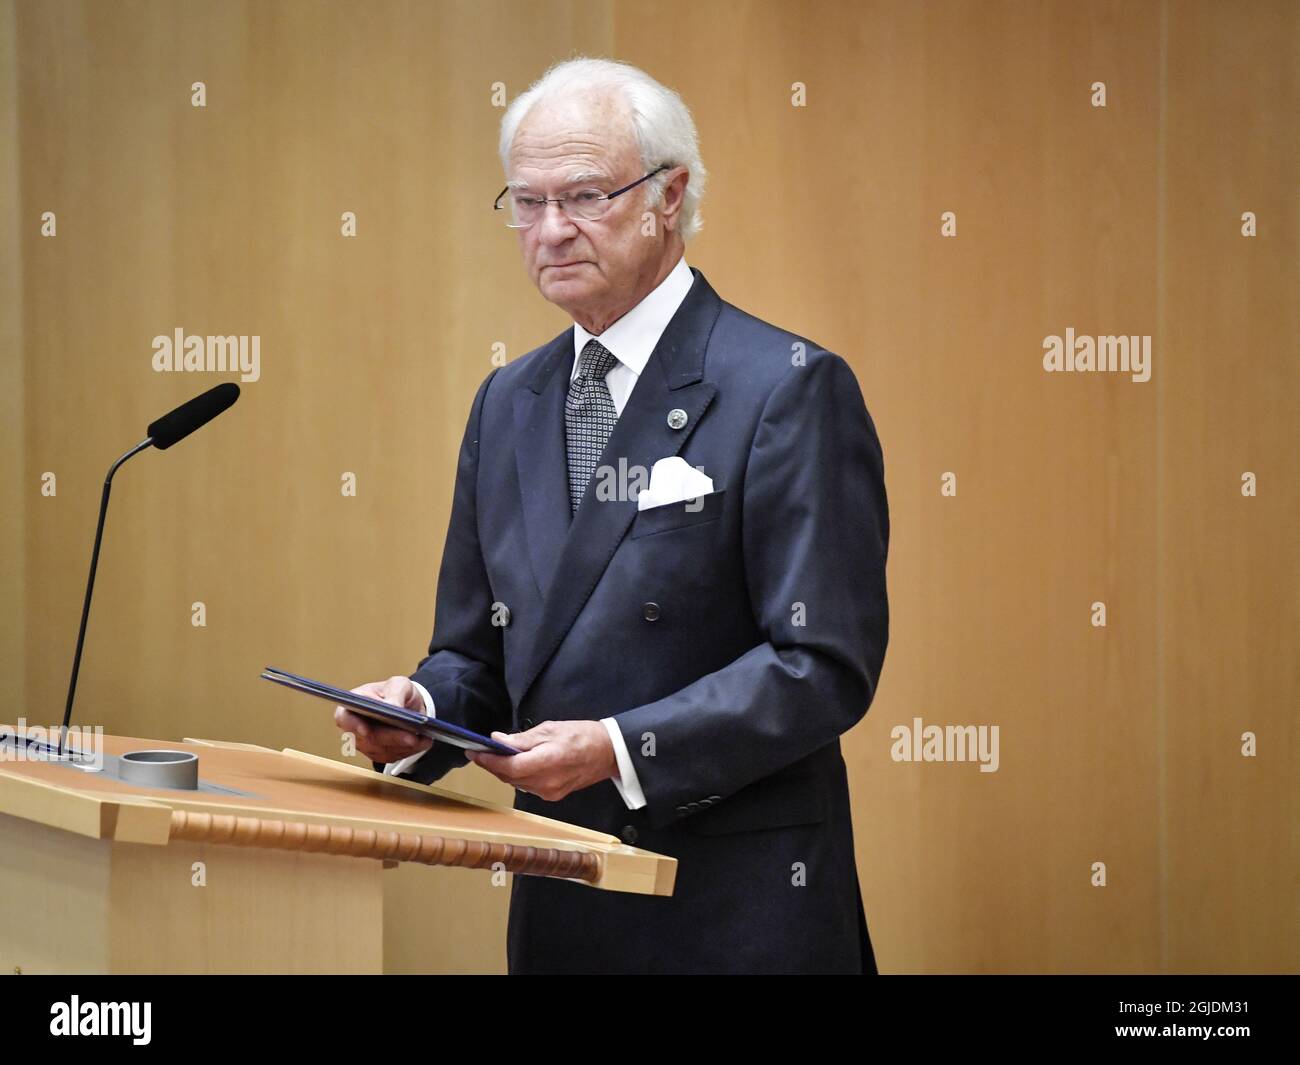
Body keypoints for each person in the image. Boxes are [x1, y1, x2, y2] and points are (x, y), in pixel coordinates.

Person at [334, 56, 889, 974]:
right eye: (526, 201)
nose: (550, 230)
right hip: (565, 907)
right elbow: (483, 651)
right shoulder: (505, 401)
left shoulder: (786, 388)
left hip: (738, 912)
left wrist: (619, 747)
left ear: (669, 196)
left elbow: (821, 665)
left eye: (584, 196)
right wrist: (423, 710)